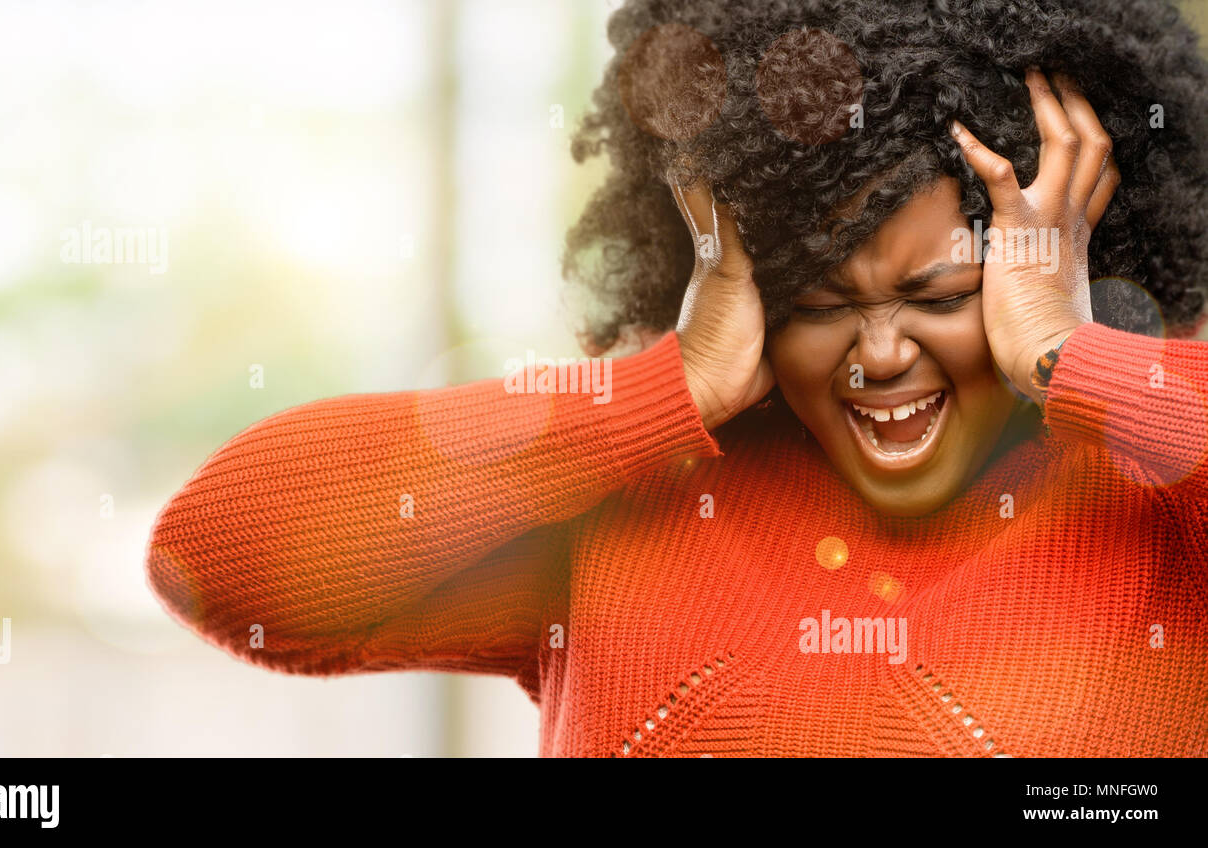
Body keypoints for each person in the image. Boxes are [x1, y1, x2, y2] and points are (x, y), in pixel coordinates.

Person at [146, 0, 1208, 756]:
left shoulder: (1162, 503)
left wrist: (1073, 357)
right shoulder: (627, 509)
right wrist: (669, 388)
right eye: (819, 304)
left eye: (939, 296)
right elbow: (221, 556)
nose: (878, 354)